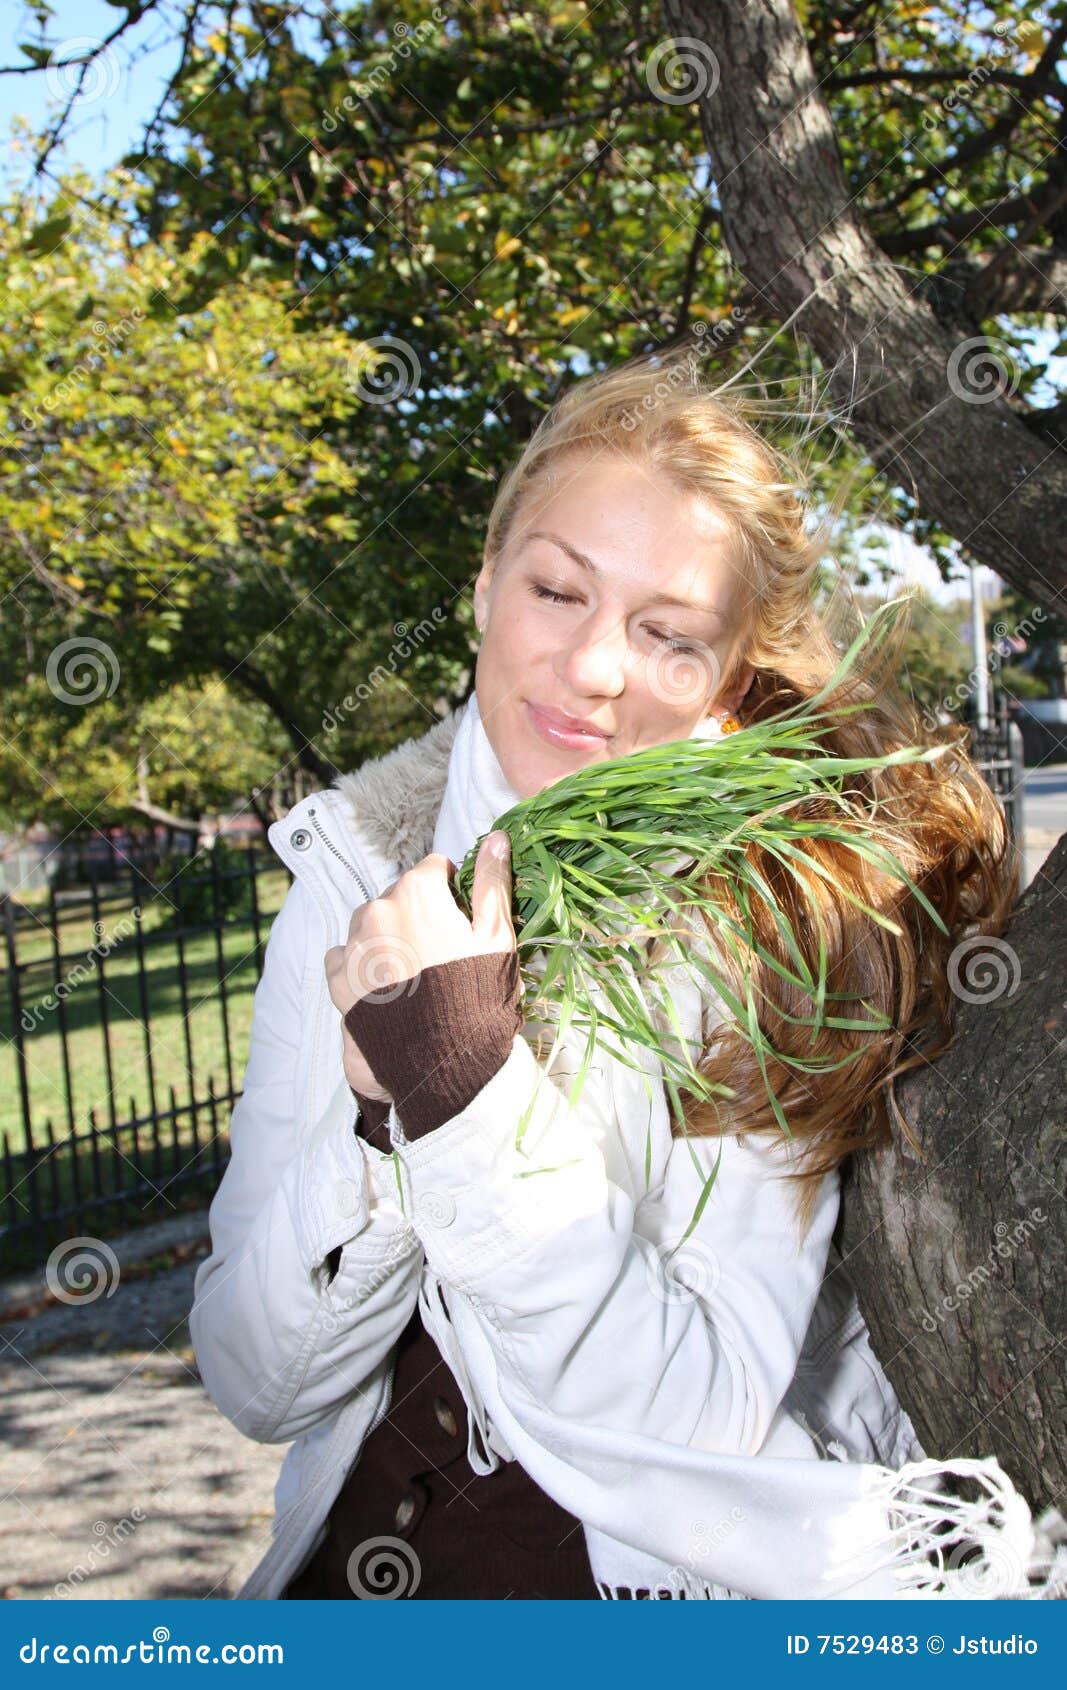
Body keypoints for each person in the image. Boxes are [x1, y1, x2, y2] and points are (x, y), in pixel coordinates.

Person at [190, 352, 1054, 1602]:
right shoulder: (348, 876)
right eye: (555, 591)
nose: (595, 669)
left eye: (668, 636)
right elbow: (252, 1380)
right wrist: (378, 1127)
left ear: (724, 691)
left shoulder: (786, 927)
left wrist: (467, 1092)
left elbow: (698, 1427)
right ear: (485, 586)